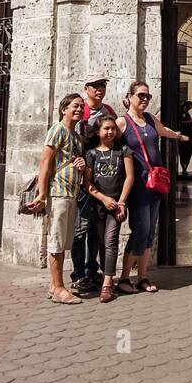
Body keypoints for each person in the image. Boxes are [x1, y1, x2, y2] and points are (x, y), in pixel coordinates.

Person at [117, 80, 191, 294]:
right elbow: (109, 142)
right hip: (138, 186)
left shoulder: (149, 119)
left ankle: (143, 277)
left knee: (149, 233)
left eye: (147, 96)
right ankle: (123, 278)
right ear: (129, 97)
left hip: (155, 185)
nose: (144, 100)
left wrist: (179, 136)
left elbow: (163, 130)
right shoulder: (123, 122)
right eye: (140, 95)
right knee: (139, 231)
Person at [26, 93, 86, 305]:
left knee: (63, 242)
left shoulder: (77, 137)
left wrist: (80, 165)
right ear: (64, 109)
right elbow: (45, 162)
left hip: (71, 193)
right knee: (57, 241)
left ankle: (55, 285)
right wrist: (42, 194)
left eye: (81, 107)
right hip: (58, 192)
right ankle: (58, 287)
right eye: (75, 106)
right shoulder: (57, 130)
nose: (79, 109)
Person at [70, 77, 116, 294]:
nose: (100, 89)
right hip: (81, 180)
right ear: (86, 89)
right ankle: (78, 275)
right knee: (80, 230)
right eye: (95, 86)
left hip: (101, 178)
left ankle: (91, 271)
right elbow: (67, 141)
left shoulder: (108, 111)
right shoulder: (79, 112)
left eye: (103, 86)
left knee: (96, 231)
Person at [84, 114, 136, 303]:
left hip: (117, 206)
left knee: (111, 239)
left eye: (113, 128)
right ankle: (106, 276)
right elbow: (88, 183)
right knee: (101, 242)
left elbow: (130, 177)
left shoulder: (123, 150)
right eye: (106, 128)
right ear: (98, 132)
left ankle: (107, 284)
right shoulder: (91, 154)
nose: (110, 131)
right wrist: (103, 198)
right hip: (99, 205)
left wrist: (121, 202)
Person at [178, 101, 192, 178]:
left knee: (188, 152)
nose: (188, 108)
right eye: (188, 106)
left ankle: (185, 168)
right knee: (183, 152)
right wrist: (191, 122)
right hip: (183, 135)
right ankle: (183, 168)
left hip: (189, 135)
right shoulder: (180, 114)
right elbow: (180, 123)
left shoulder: (188, 114)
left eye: (190, 107)